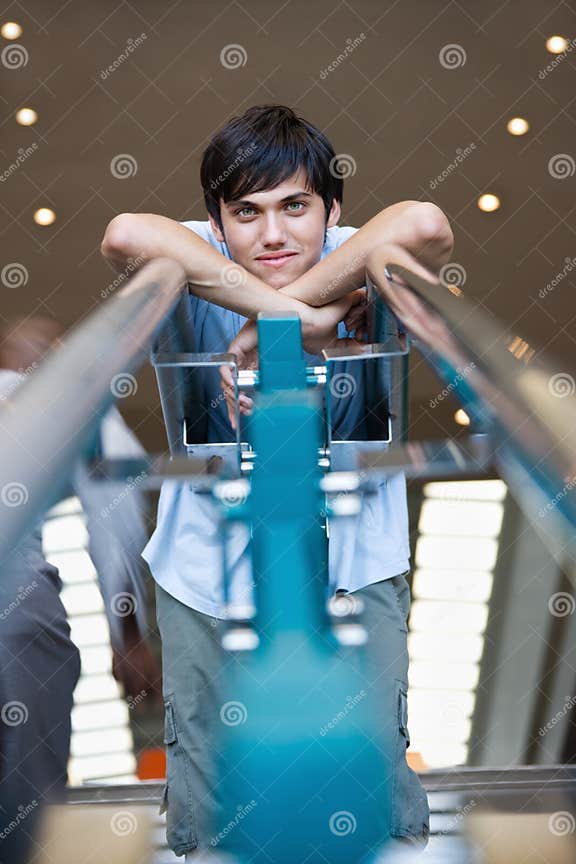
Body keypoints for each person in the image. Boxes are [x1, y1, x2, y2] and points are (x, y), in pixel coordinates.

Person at [101, 104, 454, 857]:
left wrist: (277, 322)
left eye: (295, 207)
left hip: (359, 563)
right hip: (202, 570)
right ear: (215, 222)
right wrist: (301, 315)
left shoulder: (360, 250)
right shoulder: (194, 252)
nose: (272, 234)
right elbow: (126, 234)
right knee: (204, 797)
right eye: (247, 212)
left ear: (331, 211)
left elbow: (424, 222)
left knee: (379, 785)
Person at [0, 316, 161, 857]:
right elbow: (112, 505)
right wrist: (129, 635)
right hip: (15, 619)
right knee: (24, 813)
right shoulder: (54, 397)